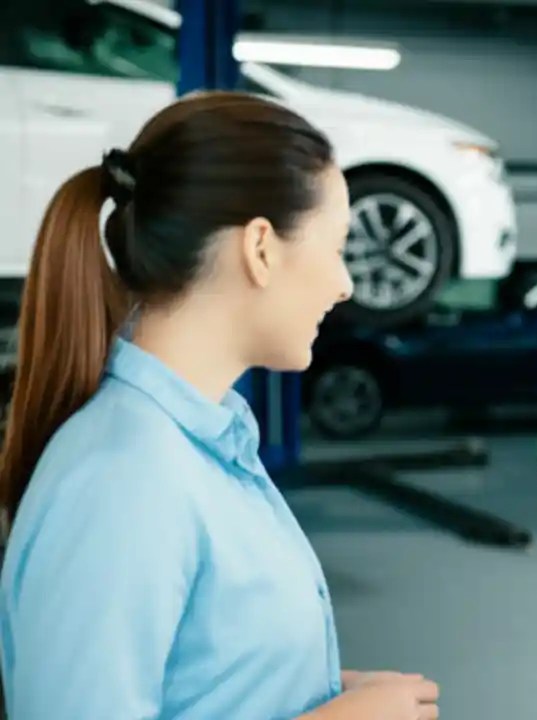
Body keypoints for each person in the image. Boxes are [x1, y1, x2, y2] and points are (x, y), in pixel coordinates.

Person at [0, 92, 440, 720]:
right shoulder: (123, 478)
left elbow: (198, 674)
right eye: (337, 245)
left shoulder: (205, 445)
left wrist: (315, 683)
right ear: (261, 248)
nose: (345, 284)